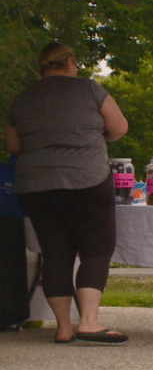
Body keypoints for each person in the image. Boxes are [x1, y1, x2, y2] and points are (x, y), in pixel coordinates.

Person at [4, 42, 129, 344]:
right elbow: (120, 127)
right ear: (70, 62)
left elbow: (14, 147)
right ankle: (88, 321)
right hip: (86, 178)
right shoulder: (89, 89)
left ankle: (62, 328)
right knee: (96, 250)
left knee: (56, 252)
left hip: (36, 185)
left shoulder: (22, 99)